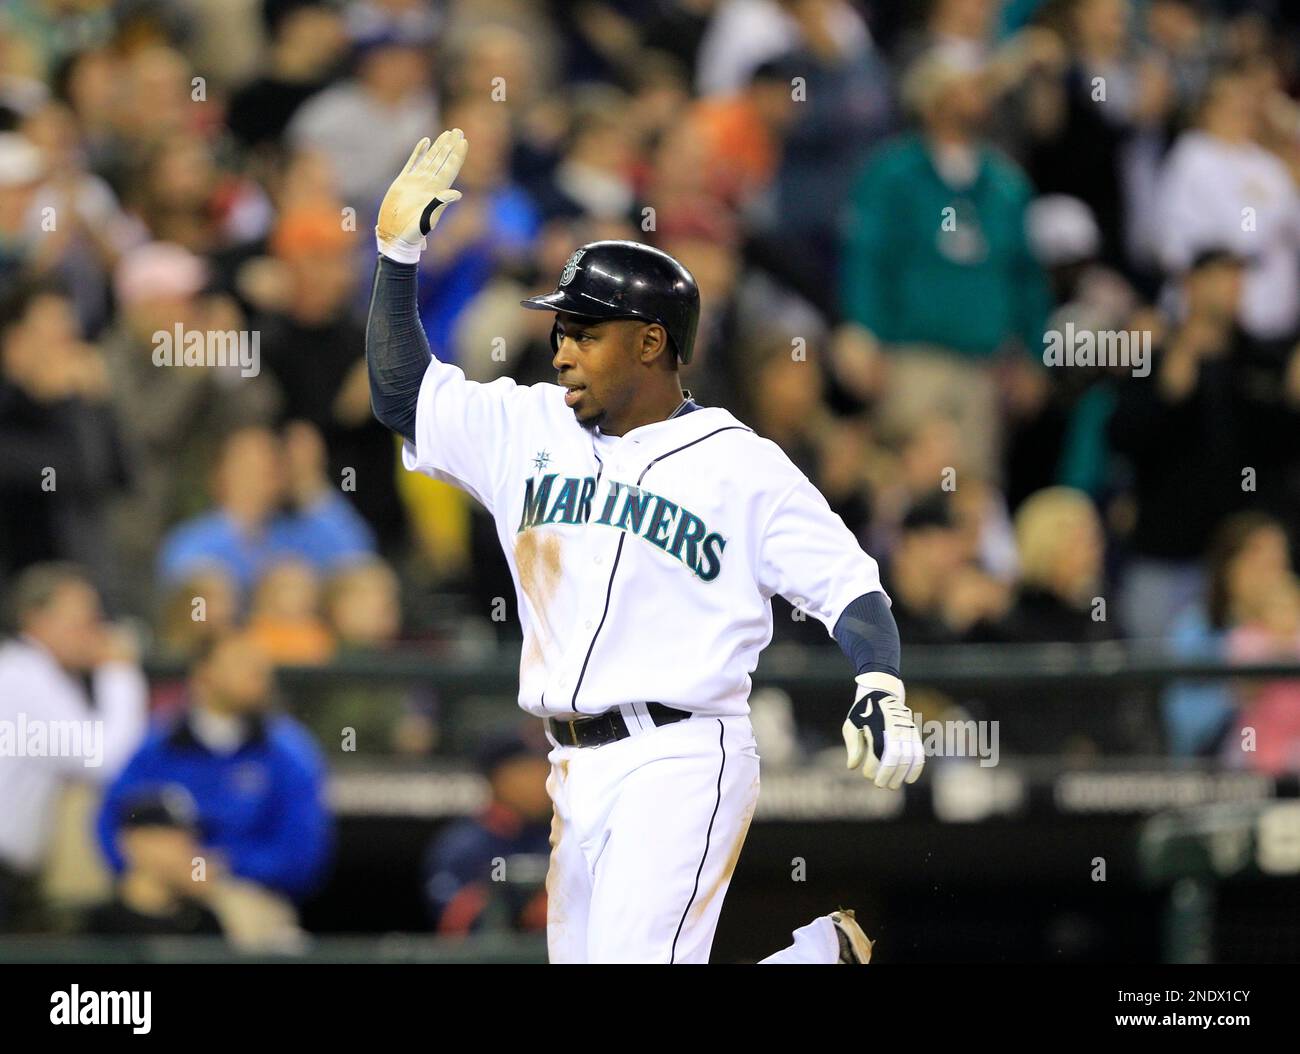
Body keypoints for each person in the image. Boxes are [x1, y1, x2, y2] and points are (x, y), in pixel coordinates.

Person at [366, 129, 924, 964]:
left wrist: (877, 678)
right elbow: (402, 395)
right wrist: (396, 255)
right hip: (569, 763)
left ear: (651, 342)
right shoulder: (527, 423)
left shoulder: (742, 464)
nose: (561, 350)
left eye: (585, 333)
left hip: (682, 754)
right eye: (560, 331)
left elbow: (851, 588)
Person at [97, 630, 333, 905]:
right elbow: (111, 820)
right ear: (203, 675)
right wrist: (162, 863)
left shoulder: (290, 754)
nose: (258, 674)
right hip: (159, 886)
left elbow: (300, 857)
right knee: (138, 901)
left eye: (261, 665)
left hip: (246, 892)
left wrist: (223, 865)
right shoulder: (157, 746)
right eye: (241, 662)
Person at [0, 563, 147, 931]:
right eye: (83, 620)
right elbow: (107, 760)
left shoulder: (38, 674)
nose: (95, 633)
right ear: (37, 619)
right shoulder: (22, 675)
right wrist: (119, 671)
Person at [422, 733, 551, 935]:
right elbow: (453, 928)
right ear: (497, 778)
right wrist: (514, 906)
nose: (541, 781)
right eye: (527, 771)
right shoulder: (462, 845)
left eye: (544, 769)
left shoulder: (556, 837)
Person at [84, 786, 223, 937]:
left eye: (192, 837)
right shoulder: (99, 926)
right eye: (172, 838)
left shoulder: (203, 922)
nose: (187, 848)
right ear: (134, 841)